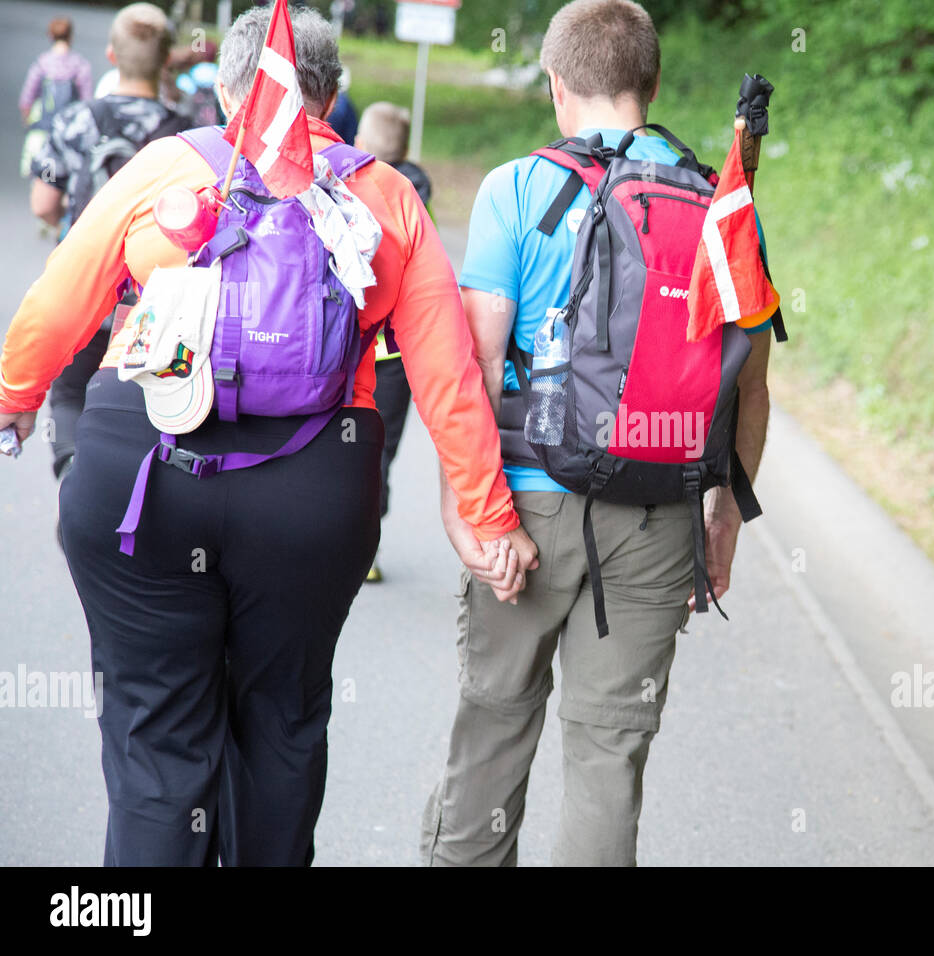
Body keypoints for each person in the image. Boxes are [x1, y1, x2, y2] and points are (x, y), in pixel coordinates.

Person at [0, 4, 536, 867]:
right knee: (282, 725)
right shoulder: (386, 193)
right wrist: (487, 511)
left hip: (142, 473)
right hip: (313, 490)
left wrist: (15, 397)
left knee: (155, 743)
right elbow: (447, 377)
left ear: (223, 90)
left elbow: (61, 298)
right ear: (332, 93)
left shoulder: (167, 166)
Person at [419, 0, 775, 866]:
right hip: (659, 518)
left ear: (556, 85)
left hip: (529, 509)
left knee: (494, 730)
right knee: (609, 756)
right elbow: (750, 385)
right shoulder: (722, 206)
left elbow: (470, 367)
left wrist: (468, 508)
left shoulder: (514, 188)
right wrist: (723, 513)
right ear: (651, 86)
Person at [28, 3, 188, 499]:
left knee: (71, 391)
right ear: (167, 59)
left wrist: (67, 225)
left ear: (111, 53)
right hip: (159, 305)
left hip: (84, 293)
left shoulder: (75, 122)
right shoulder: (190, 134)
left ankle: (75, 475)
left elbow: (44, 201)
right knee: (152, 397)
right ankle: (137, 492)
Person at [353, 101, 432, 583]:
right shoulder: (416, 199)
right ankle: (369, 547)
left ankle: (332, 534)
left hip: (351, 347)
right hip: (396, 354)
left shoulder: (347, 188)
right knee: (381, 448)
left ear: (361, 144)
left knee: (338, 440)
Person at [18, 17, 93, 177]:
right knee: (63, 179)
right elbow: (87, 101)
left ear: (50, 36)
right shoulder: (80, 65)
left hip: (44, 130)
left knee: (45, 179)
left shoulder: (42, 63)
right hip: (68, 132)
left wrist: (28, 121)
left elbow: (26, 99)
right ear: (70, 36)